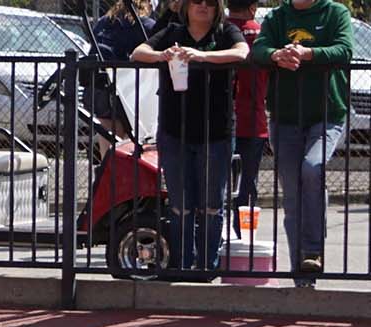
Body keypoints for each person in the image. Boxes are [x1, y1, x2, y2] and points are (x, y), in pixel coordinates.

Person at [133, 0, 246, 273]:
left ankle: (207, 265)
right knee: (180, 203)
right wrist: (162, 56)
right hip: (175, 130)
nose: (203, 6)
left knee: (211, 203)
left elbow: (242, 53)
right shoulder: (173, 32)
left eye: (209, 2)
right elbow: (138, 52)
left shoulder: (225, 32)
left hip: (215, 131)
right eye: (197, 1)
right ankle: (182, 263)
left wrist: (201, 56)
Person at [250, 0, 352, 282]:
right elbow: (258, 50)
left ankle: (313, 249)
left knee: (312, 168)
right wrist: (276, 55)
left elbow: (344, 49)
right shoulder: (277, 17)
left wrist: (307, 53)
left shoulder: (335, 13)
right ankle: (302, 273)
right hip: (284, 117)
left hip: (327, 113)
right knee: (293, 196)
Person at [226, 0, 269, 230]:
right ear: (252, 7)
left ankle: (217, 240)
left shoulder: (219, 30)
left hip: (221, 120)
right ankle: (245, 237)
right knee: (247, 186)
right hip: (254, 119)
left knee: (218, 187)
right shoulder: (260, 33)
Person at [93, 0, 158, 137]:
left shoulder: (104, 22)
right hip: (133, 90)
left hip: (102, 85)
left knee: (108, 133)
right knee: (134, 136)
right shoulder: (147, 25)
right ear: (149, 6)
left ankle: (109, 157)